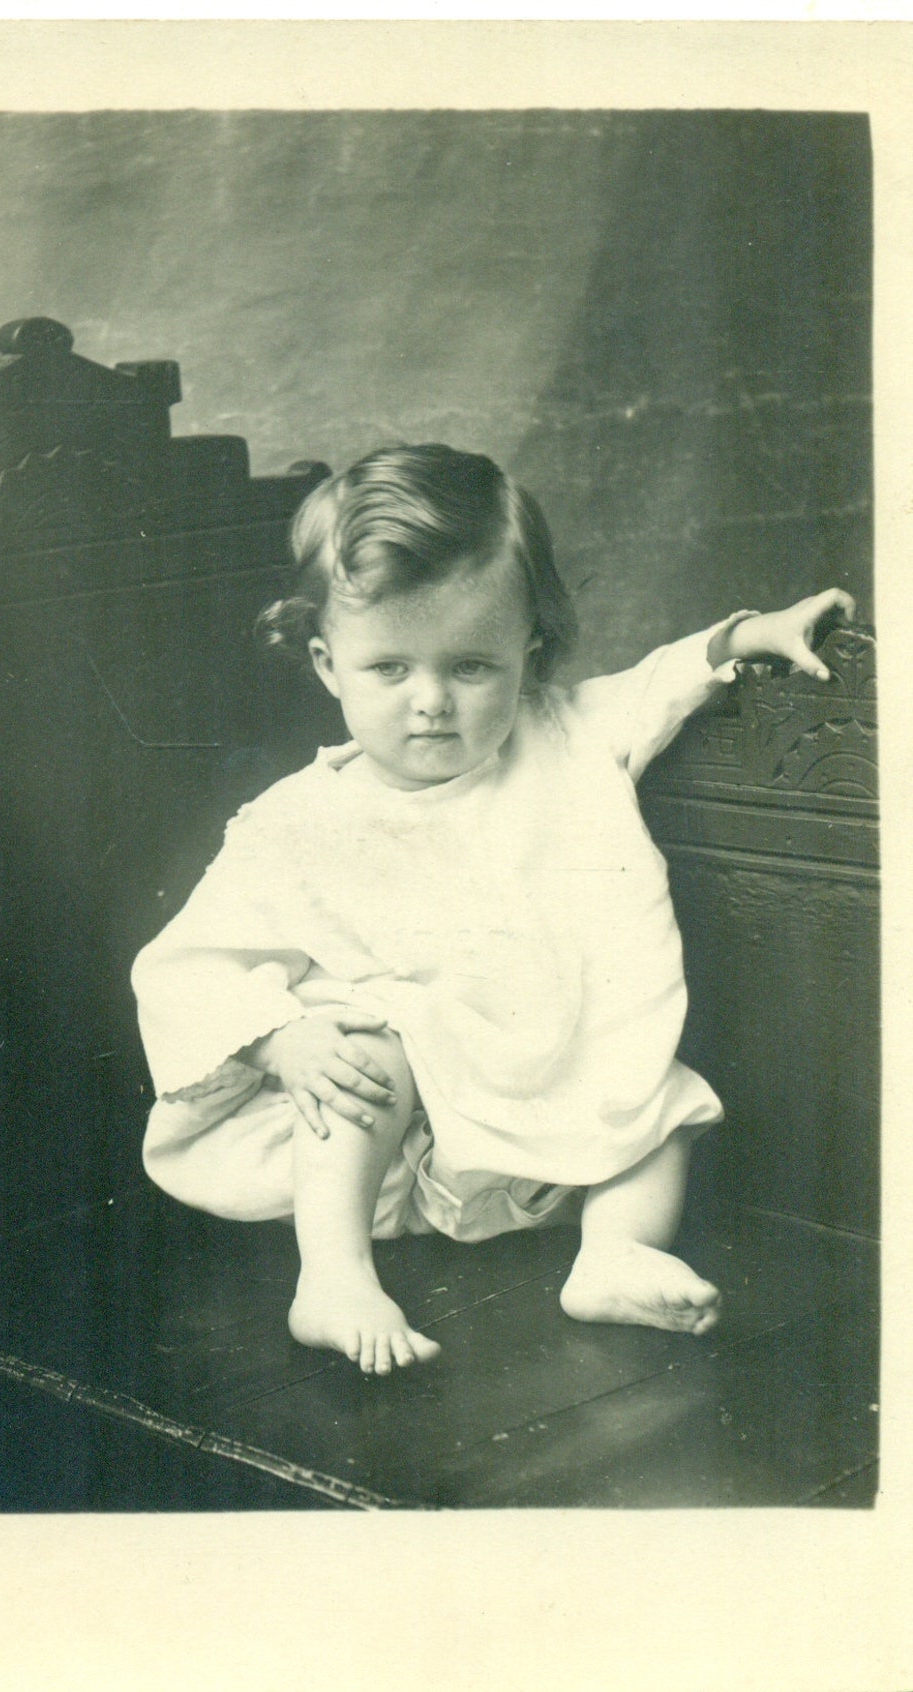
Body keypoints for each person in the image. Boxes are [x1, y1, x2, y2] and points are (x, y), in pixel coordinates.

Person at [132, 444, 854, 1377]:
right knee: (360, 1061)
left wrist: (746, 637)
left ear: (532, 652)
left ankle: (613, 1253)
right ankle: (334, 1274)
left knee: (661, 1105)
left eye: (471, 666)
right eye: (389, 669)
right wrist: (280, 1042)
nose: (430, 702)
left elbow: (658, 685)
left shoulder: (564, 735)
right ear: (327, 664)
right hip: (392, 1145)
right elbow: (185, 966)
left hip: (551, 1109)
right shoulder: (297, 825)